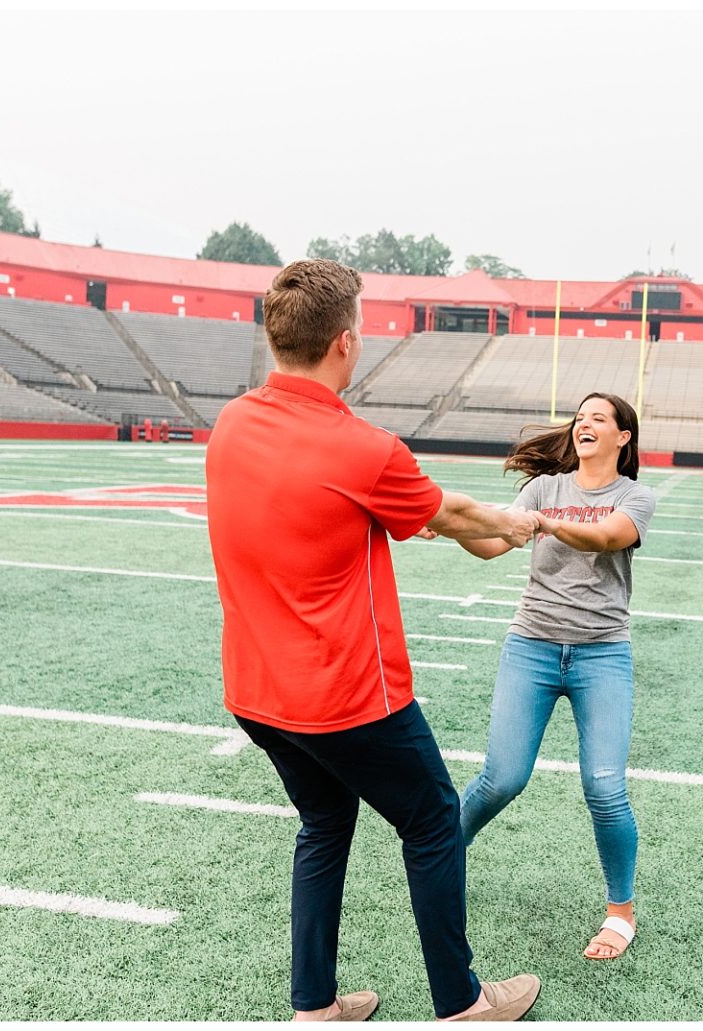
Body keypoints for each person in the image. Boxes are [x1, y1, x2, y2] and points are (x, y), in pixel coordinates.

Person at [205, 259, 543, 1022]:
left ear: (274, 336)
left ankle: (314, 1005)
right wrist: (515, 524)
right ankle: (463, 1004)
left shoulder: (230, 423)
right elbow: (451, 516)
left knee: (324, 821)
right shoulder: (364, 447)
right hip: (345, 697)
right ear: (347, 344)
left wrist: (474, 526)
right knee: (430, 818)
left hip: (257, 694)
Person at [451, 392, 656, 962]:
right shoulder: (543, 488)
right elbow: (494, 544)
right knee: (502, 779)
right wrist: (449, 529)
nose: (585, 425)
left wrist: (544, 522)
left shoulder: (635, 497)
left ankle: (621, 912)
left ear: (623, 438)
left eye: (599, 420)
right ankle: (444, 857)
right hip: (532, 647)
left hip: (601, 655)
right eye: (579, 419)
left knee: (605, 788)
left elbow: (605, 537)